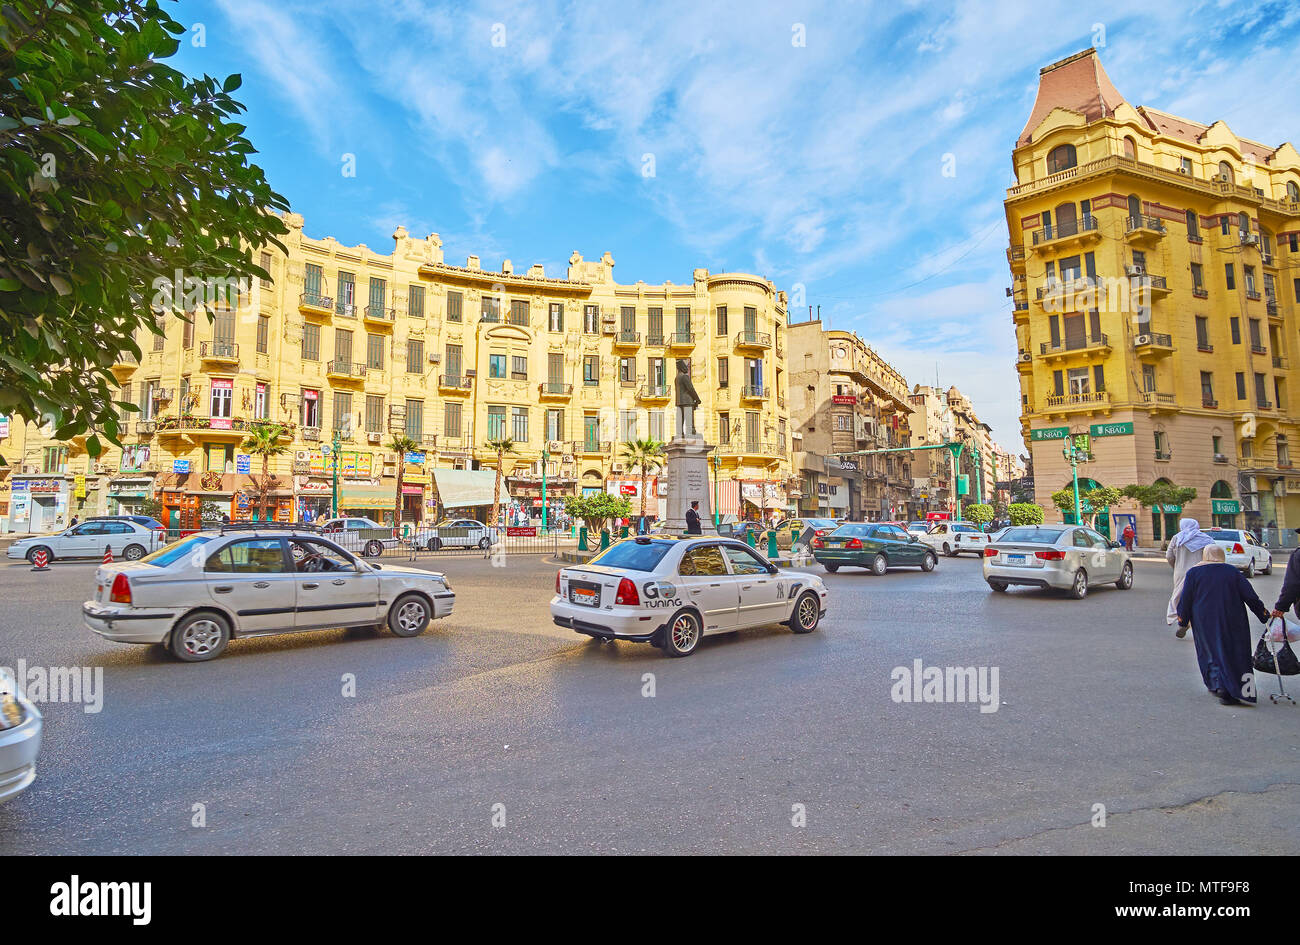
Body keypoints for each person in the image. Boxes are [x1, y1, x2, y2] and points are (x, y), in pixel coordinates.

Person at [1176, 544, 1268, 705]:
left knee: (1210, 652)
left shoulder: (1194, 573)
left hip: (1205, 620)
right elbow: (1250, 596)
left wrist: (1183, 620)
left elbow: (1186, 599)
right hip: (1233, 618)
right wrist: (1263, 614)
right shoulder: (1232, 572)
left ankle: (1219, 687)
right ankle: (1243, 691)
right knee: (1237, 653)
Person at [1166, 518, 1214, 624]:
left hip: (1181, 571)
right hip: (1201, 572)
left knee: (1178, 595)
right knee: (1198, 596)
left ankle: (1177, 618)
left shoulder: (1177, 538)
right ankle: (1195, 620)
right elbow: (1212, 556)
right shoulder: (1206, 539)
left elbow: (1169, 556)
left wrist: (1176, 566)